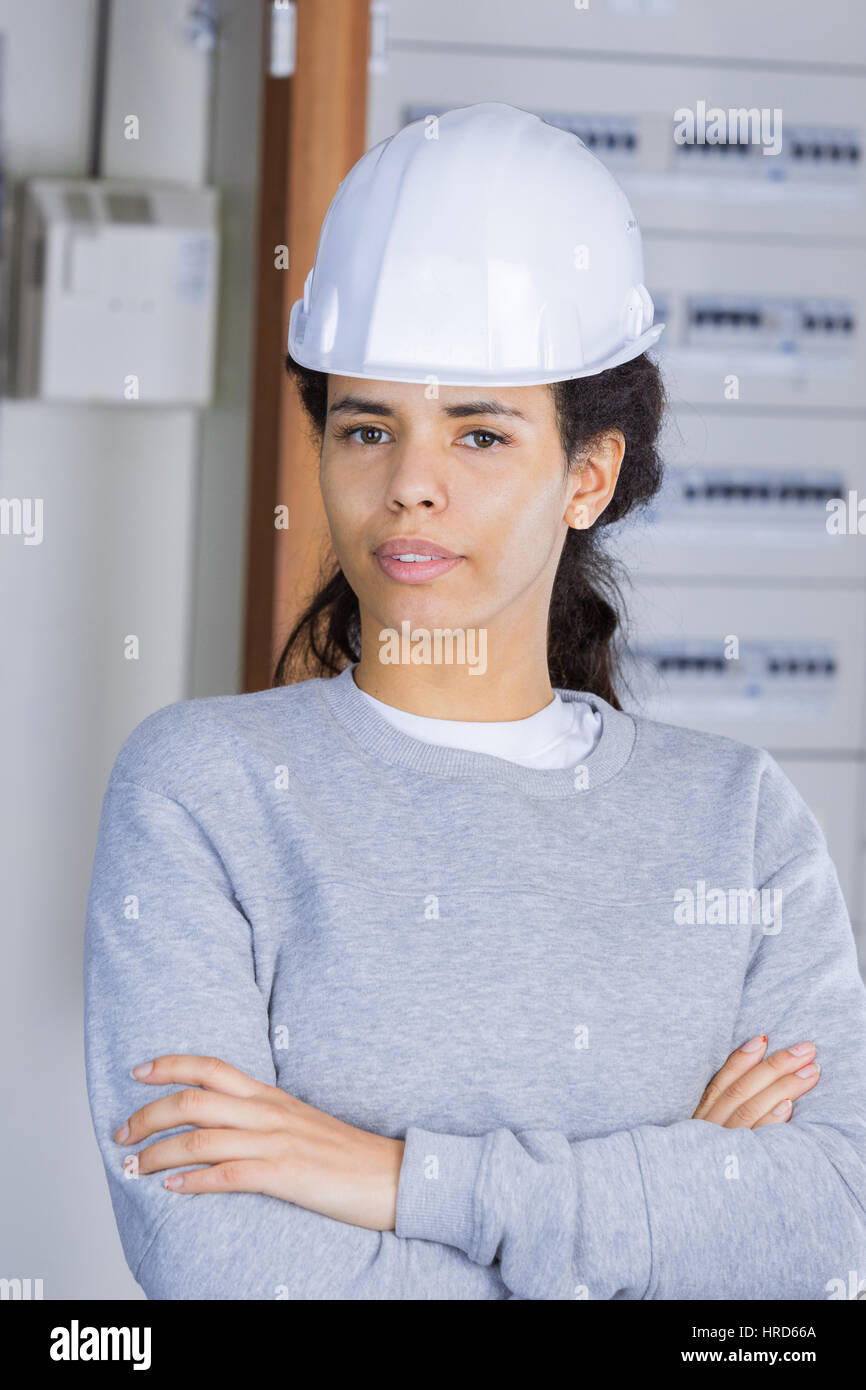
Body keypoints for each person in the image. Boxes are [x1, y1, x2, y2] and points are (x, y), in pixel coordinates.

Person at [84, 102, 866, 1300]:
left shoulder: (736, 821)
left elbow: (825, 1228)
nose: (408, 487)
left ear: (586, 476)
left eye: (480, 435)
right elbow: (222, 1259)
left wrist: (393, 1178)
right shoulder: (205, 789)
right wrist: (668, 1204)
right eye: (366, 427)